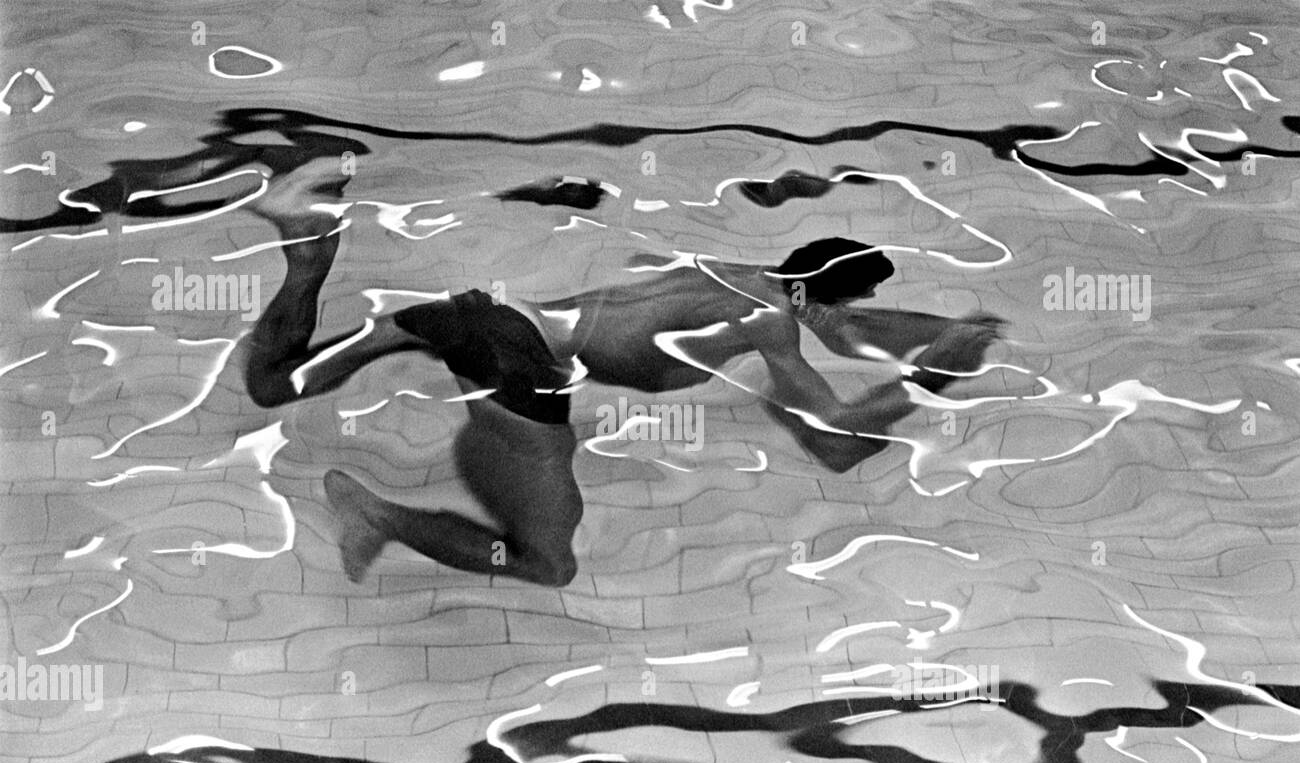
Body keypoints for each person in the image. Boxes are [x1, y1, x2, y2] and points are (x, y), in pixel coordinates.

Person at [242, 160, 1002, 586]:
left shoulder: (732, 273)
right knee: (548, 560)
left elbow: (839, 322)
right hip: (518, 364)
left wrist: (946, 332)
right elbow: (836, 443)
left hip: (475, 312)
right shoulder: (772, 327)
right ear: (829, 300)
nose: (851, 321)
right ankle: (377, 515)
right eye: (856, 307)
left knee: (274, 383)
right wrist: (934, 376)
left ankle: (310, 248)